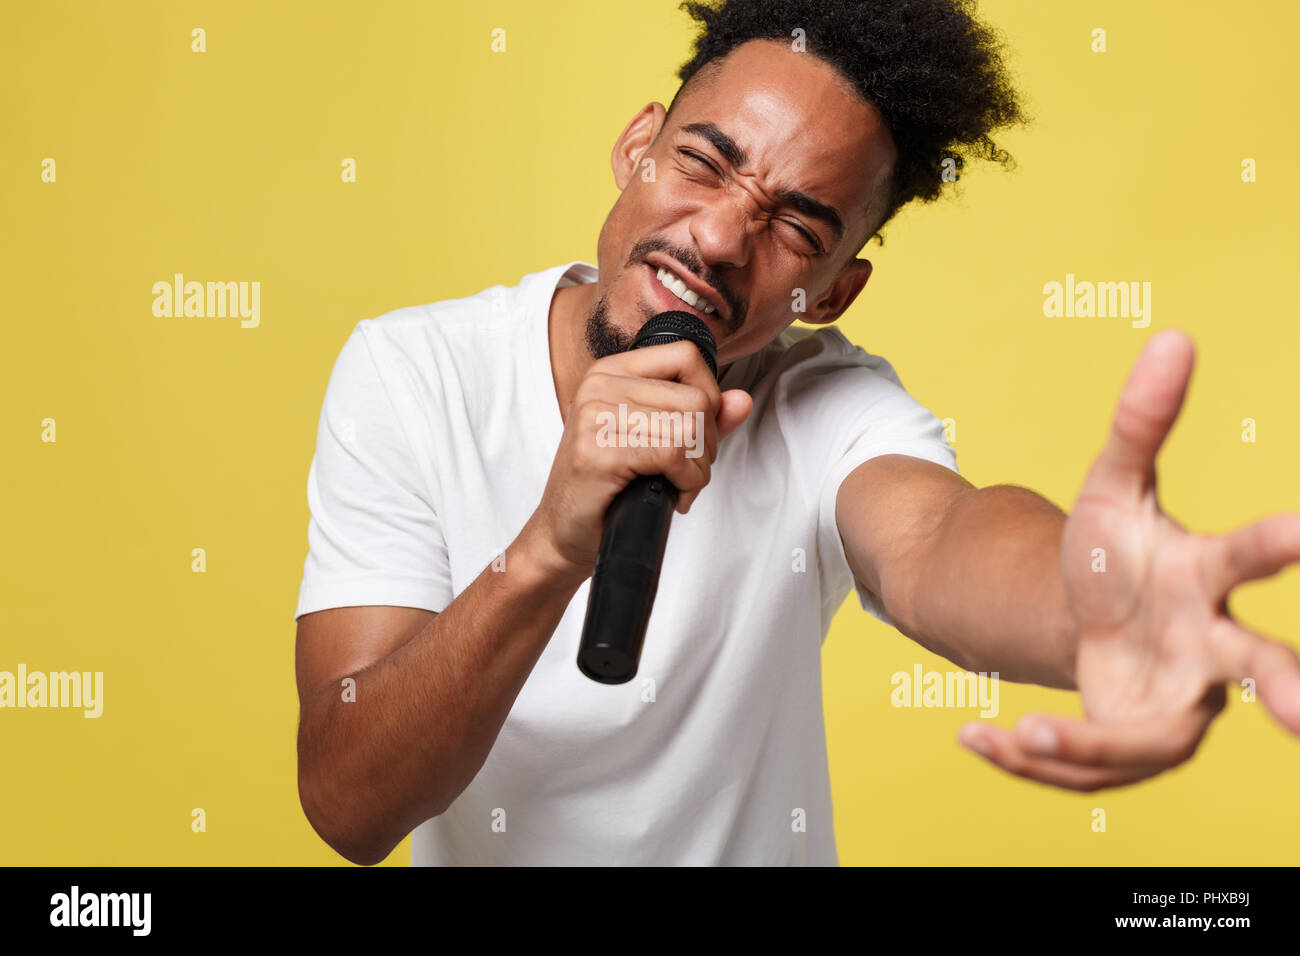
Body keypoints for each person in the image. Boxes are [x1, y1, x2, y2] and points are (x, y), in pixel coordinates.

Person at [293, 0, 1300, 866]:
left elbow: (937, 542)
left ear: (833, 291)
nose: (721, 236)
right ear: (637, 144)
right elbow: (348, 803)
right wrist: (547, 550)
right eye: (701, 162)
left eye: (797, 229)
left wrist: (1094, 603)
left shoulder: (828, 406)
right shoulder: (412, 368)